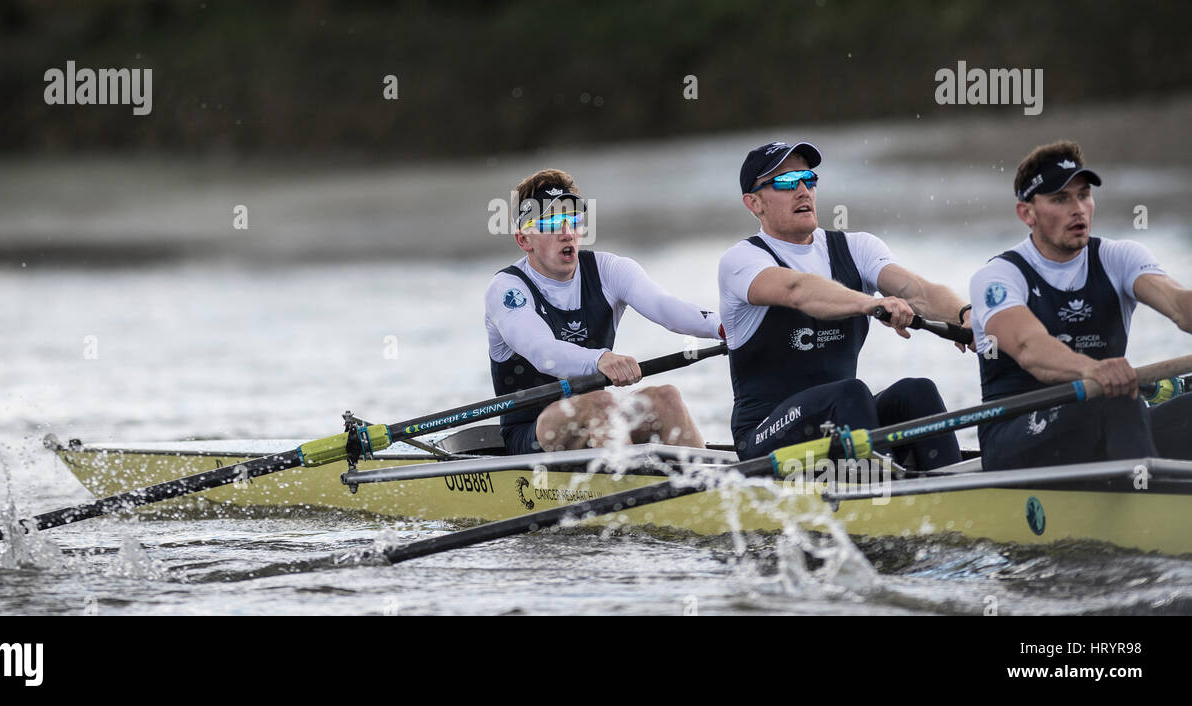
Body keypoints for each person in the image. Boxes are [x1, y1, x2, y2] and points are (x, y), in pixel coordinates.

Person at [718, 141, 970, 468]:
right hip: (764, 438)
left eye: (808, 178)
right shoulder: (742, 260)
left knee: (916, 391)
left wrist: (967, 316)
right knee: (849, 393)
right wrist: (871, 304)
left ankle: (951, 486)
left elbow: (919, 291)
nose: (802, 190)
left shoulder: (857, 247)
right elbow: (798, 290)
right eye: (784, 182)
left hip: (839, 422)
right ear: (754, 203)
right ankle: (886, 495)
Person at [969, 140, 1192, 469]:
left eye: (1084, 195)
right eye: (1060, 199)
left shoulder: (1120, 257)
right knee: (1112, 398)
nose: (1077, 209)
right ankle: (1146, 506)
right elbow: (1031, 348)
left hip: (1104, 418)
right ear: (1026, 212)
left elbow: (1177, 304)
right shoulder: (997, 277)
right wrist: (1093, 370)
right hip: (1015, 434)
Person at [485, 169, 724, 455]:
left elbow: (665, 307)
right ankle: (630, 489)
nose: (566, 232)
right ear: (524, 240)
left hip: (598, 424)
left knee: (665, 398)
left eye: (572, 219)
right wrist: (600, 359)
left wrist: (725, 328)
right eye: (550, 222)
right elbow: (542, 352)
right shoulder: (508, 289)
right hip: (532, 435)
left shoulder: (609, 270)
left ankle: (706, 486)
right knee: (601, 402)